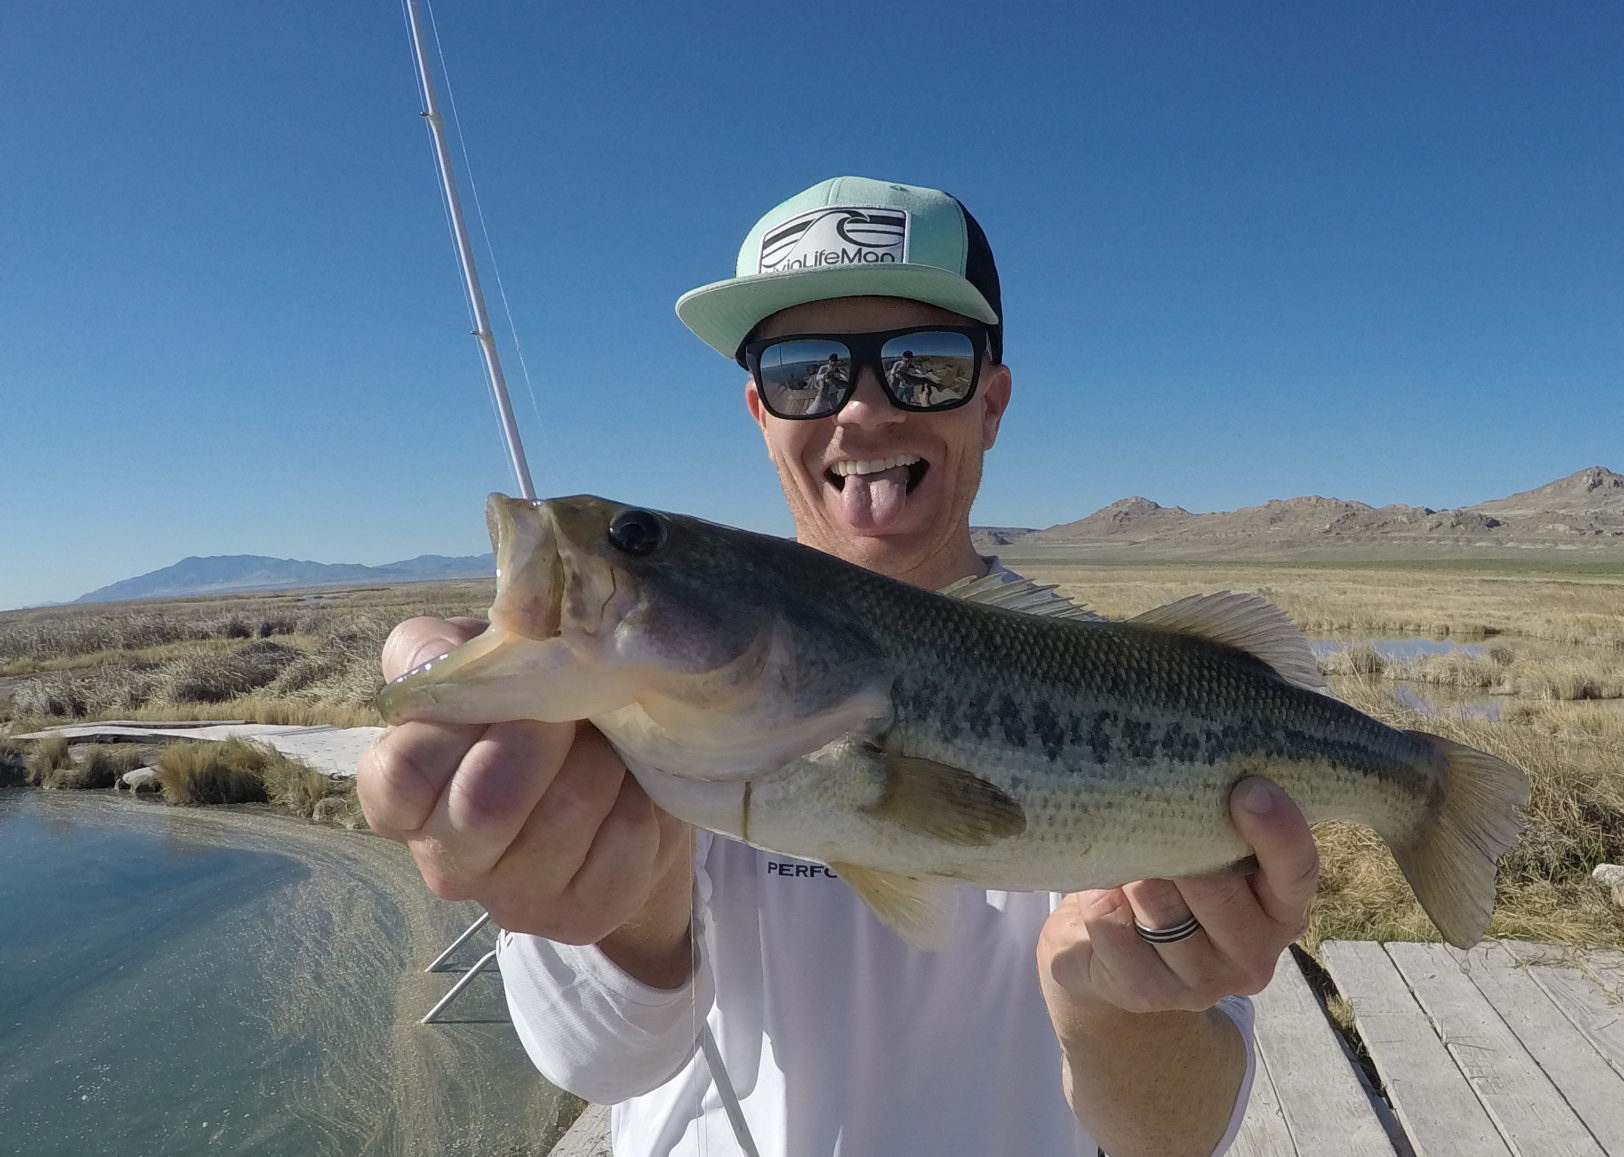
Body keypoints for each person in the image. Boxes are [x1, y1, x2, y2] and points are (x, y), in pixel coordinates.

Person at [357, 176, 1319, 1157]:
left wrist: (1123, 1013)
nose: (861, 408)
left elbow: (1182, 1134)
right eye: (803, 372)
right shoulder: (624, 726)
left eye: (924, 365)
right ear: (758, 412)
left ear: (989, 404)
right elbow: (603, 1066)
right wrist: (628, 910)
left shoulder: (1155, 702)